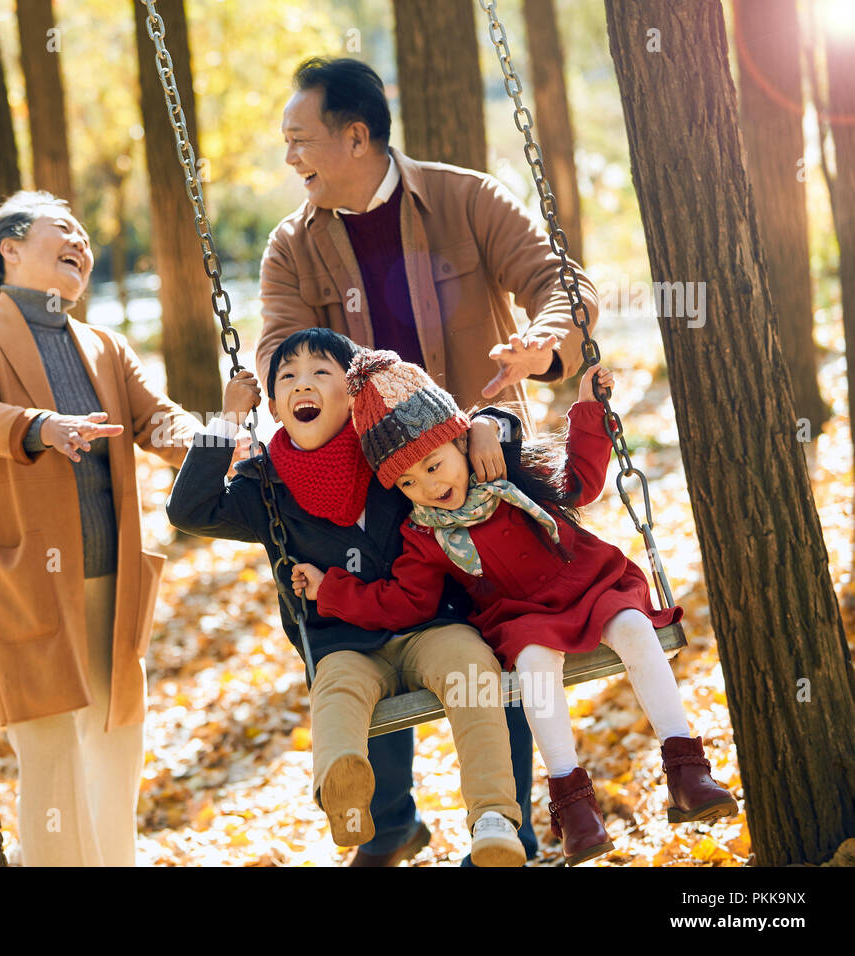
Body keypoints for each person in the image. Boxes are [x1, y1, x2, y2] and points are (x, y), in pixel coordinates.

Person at [258, 55, 599, 865]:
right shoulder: (292, 246)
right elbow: (277, 352)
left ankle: (506, 827)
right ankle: (389, 819)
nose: (290, 158)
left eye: (301, 140)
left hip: (478, 452)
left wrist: (539, 350)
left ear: (356, 134)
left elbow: (560, 282)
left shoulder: (464, 196)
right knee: (358, 615)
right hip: (364, 477)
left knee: (497, 632)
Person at [291, 350, 738, 866]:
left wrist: (590, 412)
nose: (430, 489)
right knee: (532, 665)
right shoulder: (425, 534)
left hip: (590, 583)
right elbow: (405, 601)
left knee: (636, 628)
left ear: (460, 440)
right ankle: (574, 807)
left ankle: (686, 770)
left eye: (434, 466)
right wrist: (331, 590)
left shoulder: (507, 468)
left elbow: (580, 483)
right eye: (409, 483)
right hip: (521, 617)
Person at [167, 327, 530, 866]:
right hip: (345, 646)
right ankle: (346, 795)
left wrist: (483, 426)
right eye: (287, 377)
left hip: (431, 626)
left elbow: (470, 429)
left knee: (474, 672)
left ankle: (495, 819)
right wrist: (224, 422)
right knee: (335, 695)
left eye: (320, 373)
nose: (302, 384)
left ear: (353, 394)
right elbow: (190, 510)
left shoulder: (390, 448)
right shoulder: (264, 486)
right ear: (271, 406)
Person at [0, 190, 201, 866]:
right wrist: (41, 427)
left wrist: (223, 443)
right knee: (50, 753)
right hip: (26, 578)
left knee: (116, 743)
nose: (80, 240)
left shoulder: (103, 347)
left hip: (113, 578)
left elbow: (158, 421)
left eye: (83, 233)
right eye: (63, 229)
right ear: (10, 250)